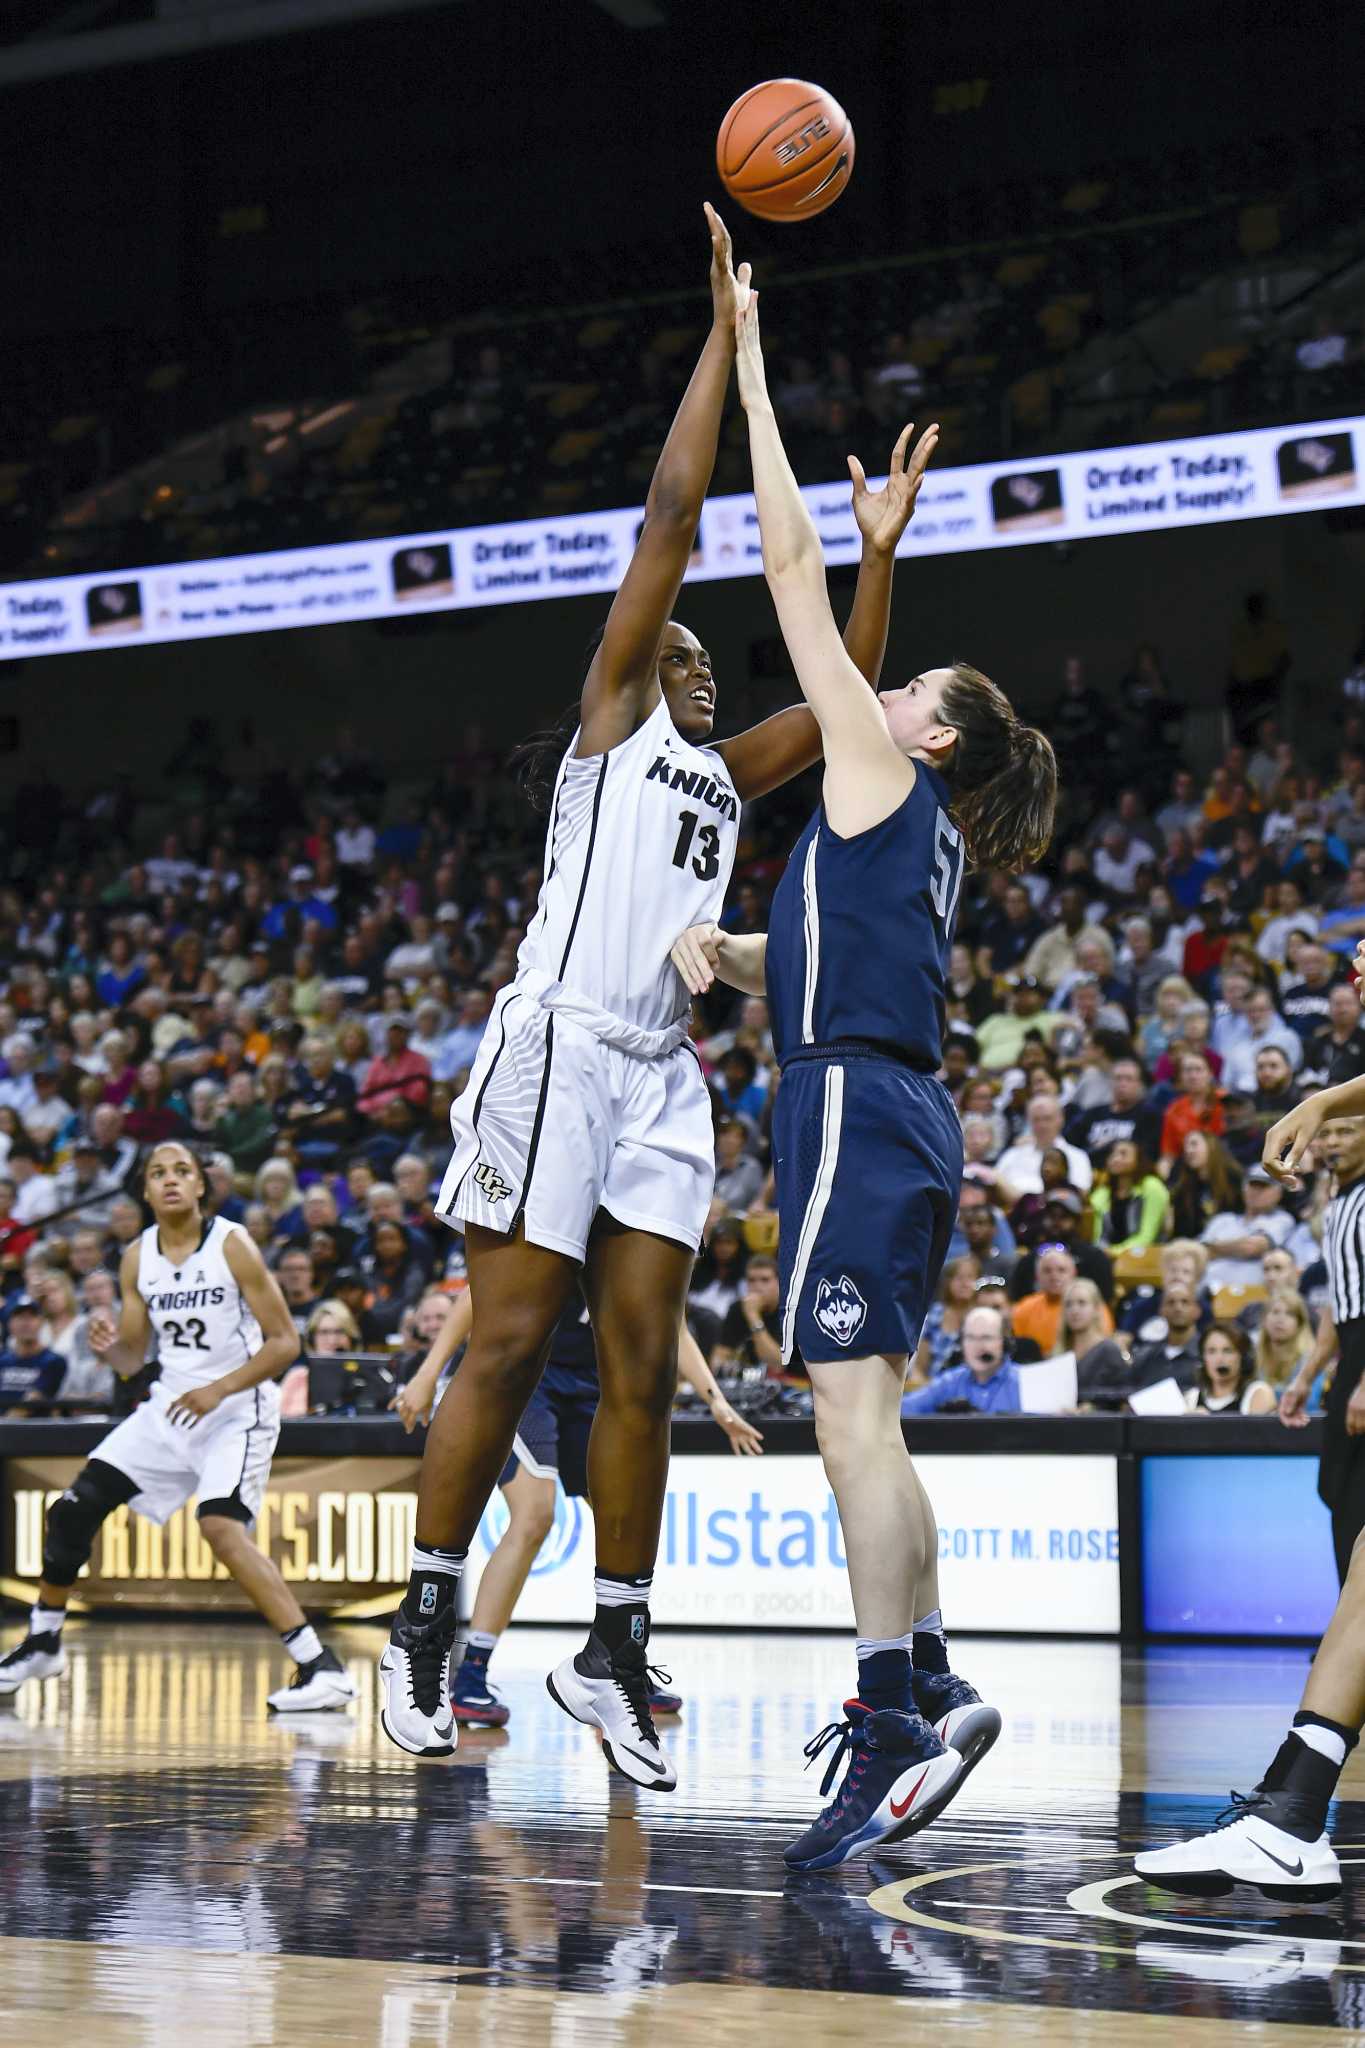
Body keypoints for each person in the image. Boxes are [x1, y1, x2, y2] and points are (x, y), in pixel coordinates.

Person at [382, 207, 921, 1781]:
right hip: (554, 1044)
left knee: (638, 1369)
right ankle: (426, 1618)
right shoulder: (615, 720)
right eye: (668, 636)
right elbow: (672, 518)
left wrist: (874, 554)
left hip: (658, 1070)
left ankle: (613, 1644)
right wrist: (722, 339)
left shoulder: (726, 765)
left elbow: (829, 706)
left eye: (698, 650)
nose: (685, 647)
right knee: (508, 1336)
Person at [670, 276, 1056, 1872]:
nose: (879, 697)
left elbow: (781, 573)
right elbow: (809, 961)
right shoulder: (902, 845)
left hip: (850, 1104)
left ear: (936, 741)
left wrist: (751, 374)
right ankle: (940, 1673)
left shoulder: (885, 770)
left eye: (908, 696)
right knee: (874, 1417)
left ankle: (886, 1712)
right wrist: (729, 956)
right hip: (892, 1098)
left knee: (843, 1421)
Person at [0, 1142, 356, 1712]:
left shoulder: (231, 1243)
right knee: (73, 1507)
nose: (170, 1181)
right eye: (157, 1173)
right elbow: (136, 1358)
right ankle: (43, 1640)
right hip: (171, 1406)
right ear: (145, 1191)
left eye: (182, 1171)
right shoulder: (137, 1255)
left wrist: (219, 1389)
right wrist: (112, 1350)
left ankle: (321, 1666)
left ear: (200, 1186)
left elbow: (287, 1342)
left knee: (219, 1527)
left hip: (237, 1408)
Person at [391, 1283, 762, 1728]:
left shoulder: (642, 1234)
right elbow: (477, 1293)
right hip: (530, 1377)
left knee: (622, 1523)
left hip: (593, 1383)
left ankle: (618, 1662)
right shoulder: (568, 1217)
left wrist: (717, 1401)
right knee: (534, 1515)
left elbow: (673, 1324)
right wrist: (427, 1372)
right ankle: (471, 1673)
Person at [902, 1305, 1019, 1415]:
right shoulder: (949, 1382)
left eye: (986, 1338)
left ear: (1005, 1342)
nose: (977, 1346)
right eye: (970, 1337)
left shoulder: (1024, 1382)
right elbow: (903, 1408)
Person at [1053, 1278, 1132, 1411]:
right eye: (1068, 1305)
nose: (1074, 1310)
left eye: (1082, 1303)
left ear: (1096, 1309)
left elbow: (1121, 1400)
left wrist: (1092, 1409)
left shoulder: (1109, 1350)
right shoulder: (1059, 1353)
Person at [1088, 1138, 1169, 1255]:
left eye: (1123, 1154)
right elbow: (1097, 1235)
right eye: (1113, 1154)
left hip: (1144, 1255)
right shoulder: (1101, 1193)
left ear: (1138, 1159)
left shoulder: (1152, 1187)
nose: (1115, 1158)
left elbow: (1147, 1236)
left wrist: (1114, 1252)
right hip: (1106, 1254)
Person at [1185, 1320, 1275, 1415]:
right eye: (1211, 1351)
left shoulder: (1258, 1393)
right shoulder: (1192, 1398)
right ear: (1202, 1359)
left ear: (1243, 1357)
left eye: (1228, 1351)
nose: (1219, 1359)